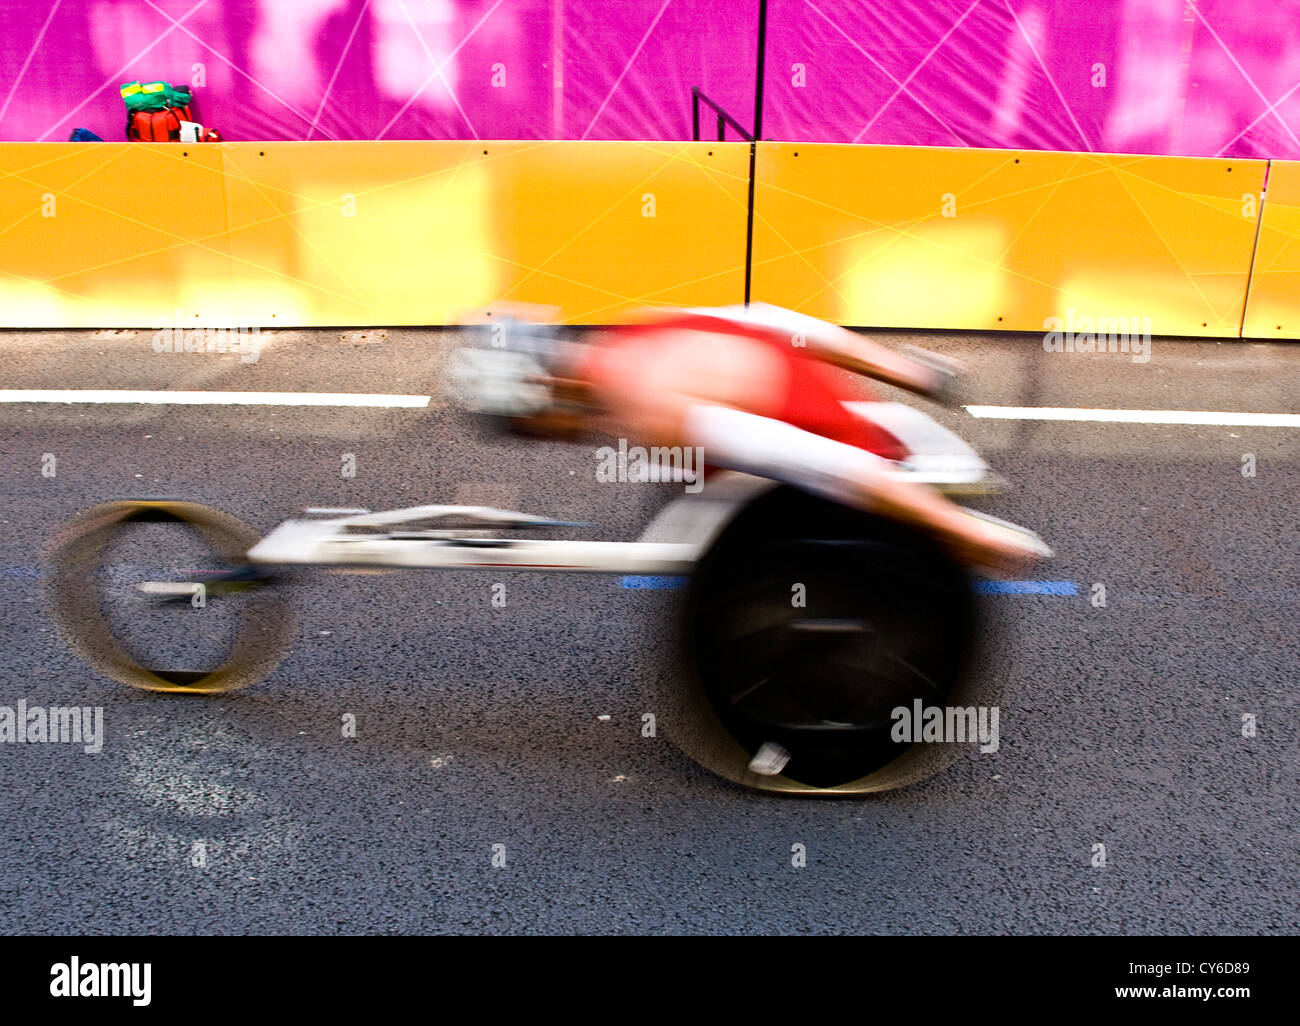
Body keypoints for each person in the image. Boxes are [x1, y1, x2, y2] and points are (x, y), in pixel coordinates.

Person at [461, 303, 1050, 576]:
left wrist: (962, 532)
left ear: (546, 391)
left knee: (685, 543)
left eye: (527, 428)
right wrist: (908, 373)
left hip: (883, 461)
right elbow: (781, 323)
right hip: (875, 418)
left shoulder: (652, 409)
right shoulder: (633, 330)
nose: (543, 443)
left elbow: (823, 464)